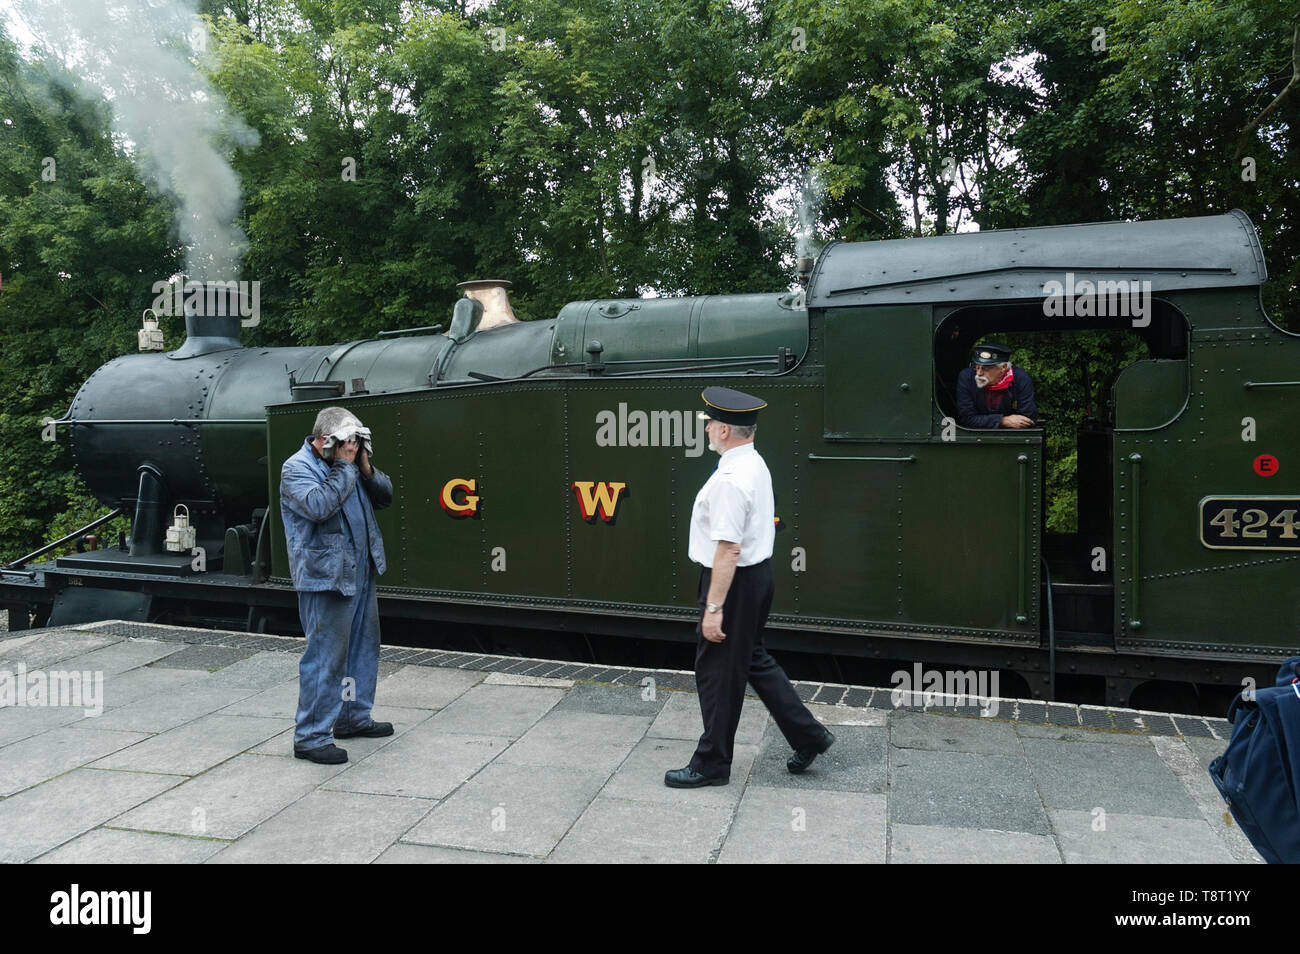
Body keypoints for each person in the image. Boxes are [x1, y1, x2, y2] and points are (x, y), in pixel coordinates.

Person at [664, 387, 835, 788]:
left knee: (718, 672)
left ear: (723, 430)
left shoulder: (730, 477)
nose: (706, 428)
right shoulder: (753, 463)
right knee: (753, 659)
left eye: (709, 424)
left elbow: (727, 548)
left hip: (732, 581)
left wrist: (713, 608)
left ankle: (711, 763)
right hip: (756, 577)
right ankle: (810, 735)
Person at [280, 406, 394, 765]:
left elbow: (385, 496)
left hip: (360, 571)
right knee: (325, 657)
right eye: (348, 441)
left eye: (357, 441)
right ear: (325, 439)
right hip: (325, 577)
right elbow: (319, 506)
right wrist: (345, 466)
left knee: (362, 649)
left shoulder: (350, 465)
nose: (353, 446)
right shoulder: (296, 468)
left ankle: (351, 718)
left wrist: (364, 467)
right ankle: (311, 737)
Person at [955, 342, 1038, 429]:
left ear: (1003, 367)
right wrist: (1002, 421)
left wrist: (982, 420)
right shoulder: (966, 377)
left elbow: (1027, 420)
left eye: (985, 368)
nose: (978, 373)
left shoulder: (1021, 379)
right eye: (976, 366)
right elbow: (966, 418)